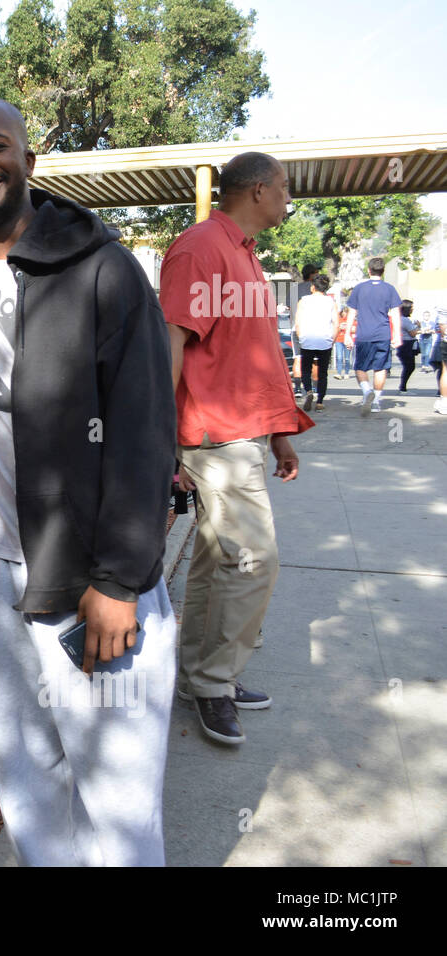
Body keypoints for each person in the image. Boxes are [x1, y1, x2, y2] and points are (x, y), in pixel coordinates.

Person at [0, 97, 178, 866]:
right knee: (26, 782)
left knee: (116, 799)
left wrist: (121, 580)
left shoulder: (102, 269)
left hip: (90, 571)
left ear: (29, 158)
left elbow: (146, 428)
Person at [162, 151, 313, 746]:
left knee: (216, 561)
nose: (287, 198)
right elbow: (171, 341)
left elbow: (255, 355)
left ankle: (200, 676)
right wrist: (160, 439)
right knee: (254, 561)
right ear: (256, 190)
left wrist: (279, 432)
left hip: (242, 433)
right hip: (211, 436)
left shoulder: (245, 255)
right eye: (283, 188)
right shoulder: (201, 248)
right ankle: (213, 684)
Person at [346, 257, 403, 415]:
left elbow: (351, 312)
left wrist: (348, 334)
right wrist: (397, 334)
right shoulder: (389, 289)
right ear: (383, 271)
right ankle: (376, 401)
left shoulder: (359, 288)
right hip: (383, 334)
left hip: (364, 334)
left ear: (369, 270)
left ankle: (366, 391)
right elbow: (396, 314)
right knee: (380, 368)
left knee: (360, 367)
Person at [294, 273, 339, 411]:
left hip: (307, 339)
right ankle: (320, 401)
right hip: (324, 340)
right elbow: (336, 324)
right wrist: (332, 340)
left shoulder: (303, 301)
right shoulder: (331, 302)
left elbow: (298, 323)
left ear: (312, 287)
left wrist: (301, 337)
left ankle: (308, 391)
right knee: (323, 372)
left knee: (305, 370)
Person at [396, 299, 418, 392]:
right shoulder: (404, 320)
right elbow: (413, 333)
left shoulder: (400, 319)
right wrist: (418, 326)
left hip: (404, 344)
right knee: (409, 366)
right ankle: (402, 387)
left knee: (408, 366)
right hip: (406, 345)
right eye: (411, 308)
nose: (412, 309)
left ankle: (403, 386)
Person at [333, 306, 353, 379]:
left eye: (346, 313)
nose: (344, 314)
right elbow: (335, 329)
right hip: (339, 340)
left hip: (347, 341)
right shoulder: (338, 319)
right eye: (343, 312)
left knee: (347, 358)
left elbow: (354, 329)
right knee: (339, 357)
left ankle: (346, 373)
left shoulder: (350, 320)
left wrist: (348, 328)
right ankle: (339, 373)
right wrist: (340, 328)